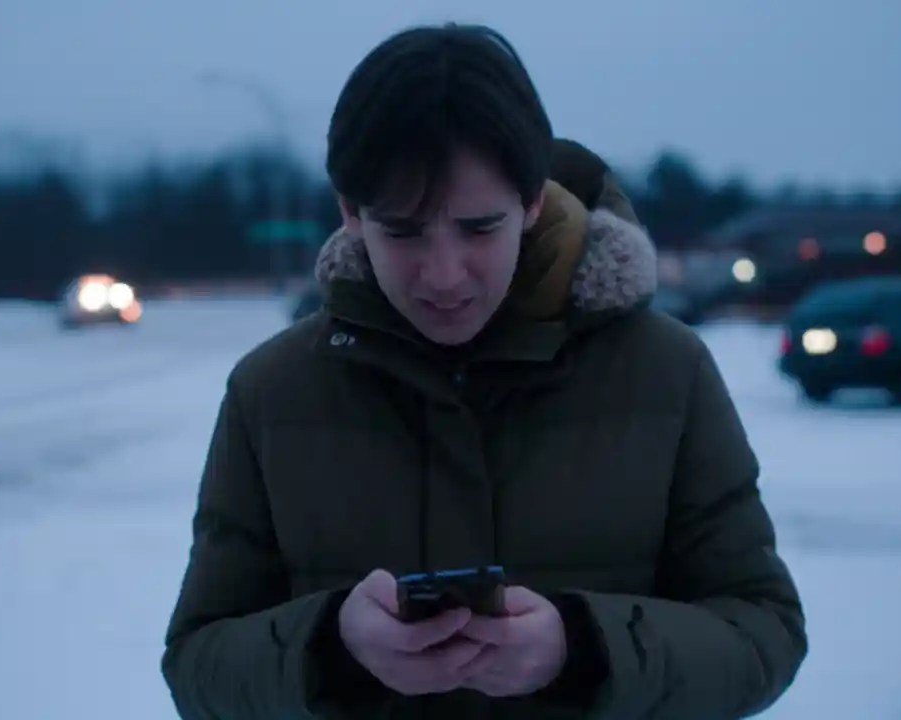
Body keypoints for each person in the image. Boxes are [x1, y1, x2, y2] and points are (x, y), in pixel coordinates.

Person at [162, 23, 807, 719]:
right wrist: (328, 647)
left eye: (479, 228)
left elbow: (763, 632)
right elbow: (198, 665)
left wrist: (583, 650)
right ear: (351, 213)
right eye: (403, 231)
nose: (443, 276)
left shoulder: (667, 372)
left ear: (532, 199)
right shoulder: (270, 391)